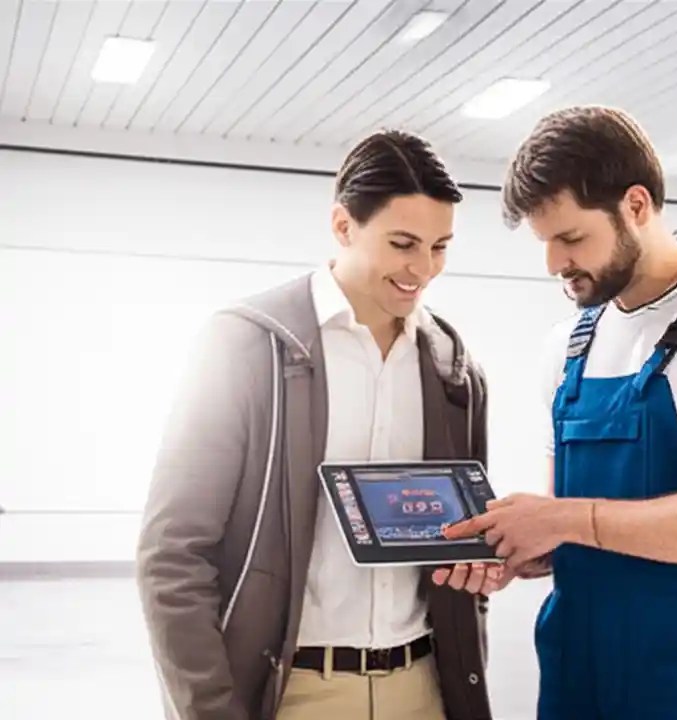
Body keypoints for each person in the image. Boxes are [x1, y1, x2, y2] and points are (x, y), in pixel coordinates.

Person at [444, 106, 677, 719]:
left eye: (572, 238)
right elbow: (578, 527)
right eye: (546, 242)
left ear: (636, 205)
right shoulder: (568, 347)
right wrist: (528, 546)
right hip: (577, 673)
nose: (554, 263)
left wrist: (563, 519)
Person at [136, 130, 497, 720]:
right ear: (342, 225)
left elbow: (459, 537)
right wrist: (208, 708)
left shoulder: (452, 365)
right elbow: (171, 553)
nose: (423, 269)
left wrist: (481, 560)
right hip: (295, 693)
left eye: (440, 247)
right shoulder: (248, 345)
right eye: (403, 243)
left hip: (424, 686)